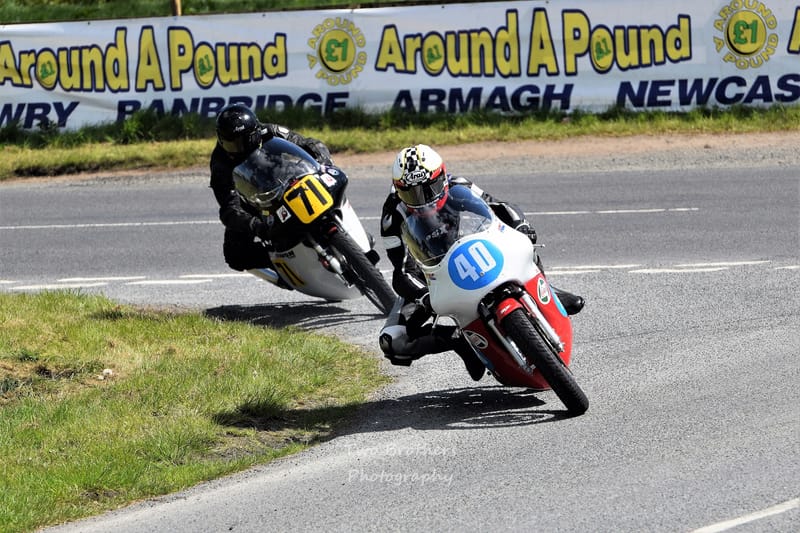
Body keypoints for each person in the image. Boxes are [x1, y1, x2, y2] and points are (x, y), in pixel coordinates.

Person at [378, 143, 585, 380]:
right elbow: (402, 273)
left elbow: (501, 207)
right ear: (398, 189)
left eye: (429, 189)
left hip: (472, 248)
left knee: (523, 242)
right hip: (429, 277)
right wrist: (424, 296)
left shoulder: (459, 184)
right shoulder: (391, 217)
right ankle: (457, 340)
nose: (423, 201)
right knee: (392, 341)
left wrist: (522, 226)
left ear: (442, 177)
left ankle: (547, 291)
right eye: (411, 194)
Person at [209, 103, 334, 280]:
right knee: (234, 255)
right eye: (231, 144)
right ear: (221, 140)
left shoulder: (270, 131)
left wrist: (324, 163)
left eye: (244, 141)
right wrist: (254, 225)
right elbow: (230, 209)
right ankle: (285, 266)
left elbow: (309, 144)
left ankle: (348, 231)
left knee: (331, 183)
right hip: (255, 201)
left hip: (292, 178)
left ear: (255, 132)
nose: (239, 148)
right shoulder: (220, 164)